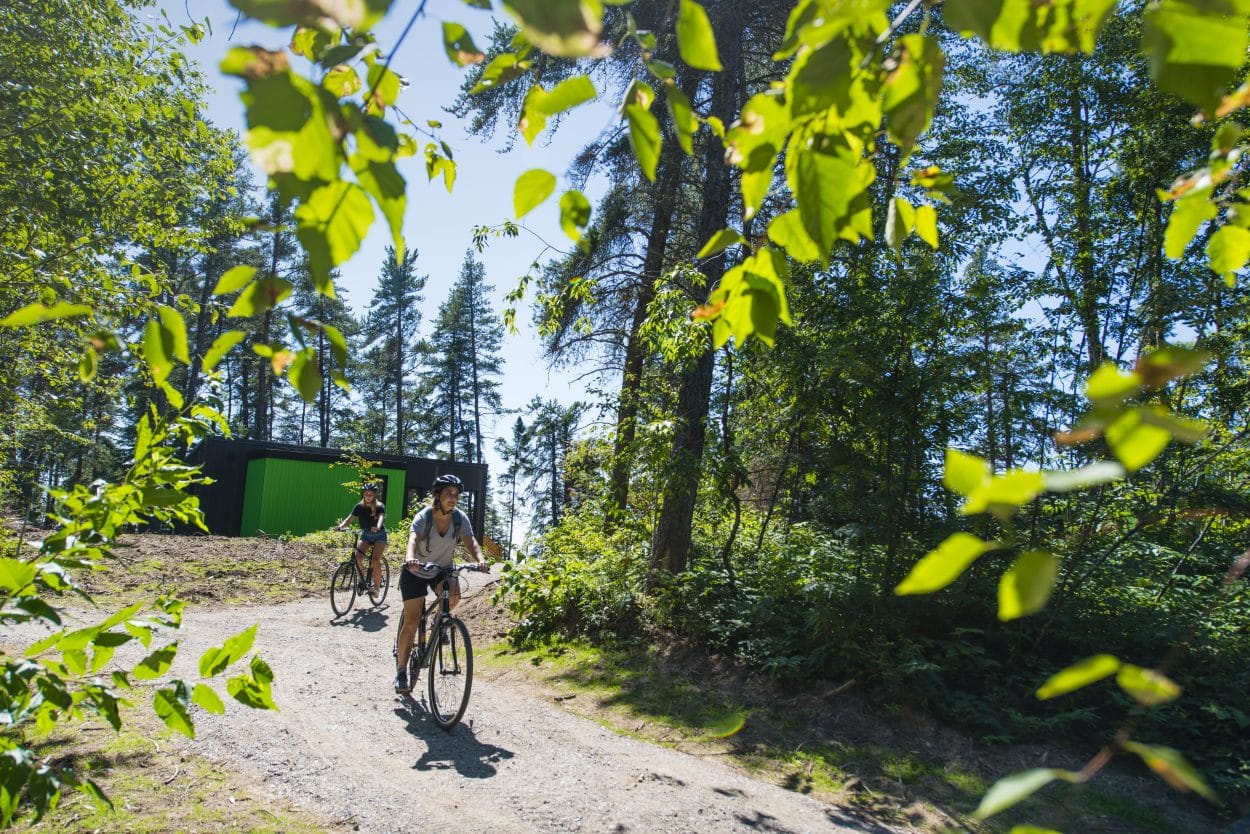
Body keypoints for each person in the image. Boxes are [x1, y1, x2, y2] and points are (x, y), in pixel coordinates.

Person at [394, 473, 488, 693]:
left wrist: (481, 560)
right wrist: (410, 558)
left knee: (453, 595)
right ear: (437, 495)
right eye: (448, 493)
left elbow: (470, 541)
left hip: (441, 570)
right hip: (416, 570)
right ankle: (401, 671)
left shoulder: (459, 518)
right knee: (412, 620)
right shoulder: (424, 516)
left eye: (455, 494)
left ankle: (440, 619)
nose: (452, 498)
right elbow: (413, 539)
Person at [334, 482, 386, 593]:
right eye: (366, 494)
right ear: (363, 494)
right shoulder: (359, 506)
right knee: (358, 558)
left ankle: (376, 587)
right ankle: (362, 580)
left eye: (371, 494)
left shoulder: (379, 506)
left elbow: (381, 518)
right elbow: (349, 519)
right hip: (366, 535)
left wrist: (377, 526)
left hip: (379, 536)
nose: (368, 496)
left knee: (375, 560)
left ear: (374, 495)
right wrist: (340, 527)